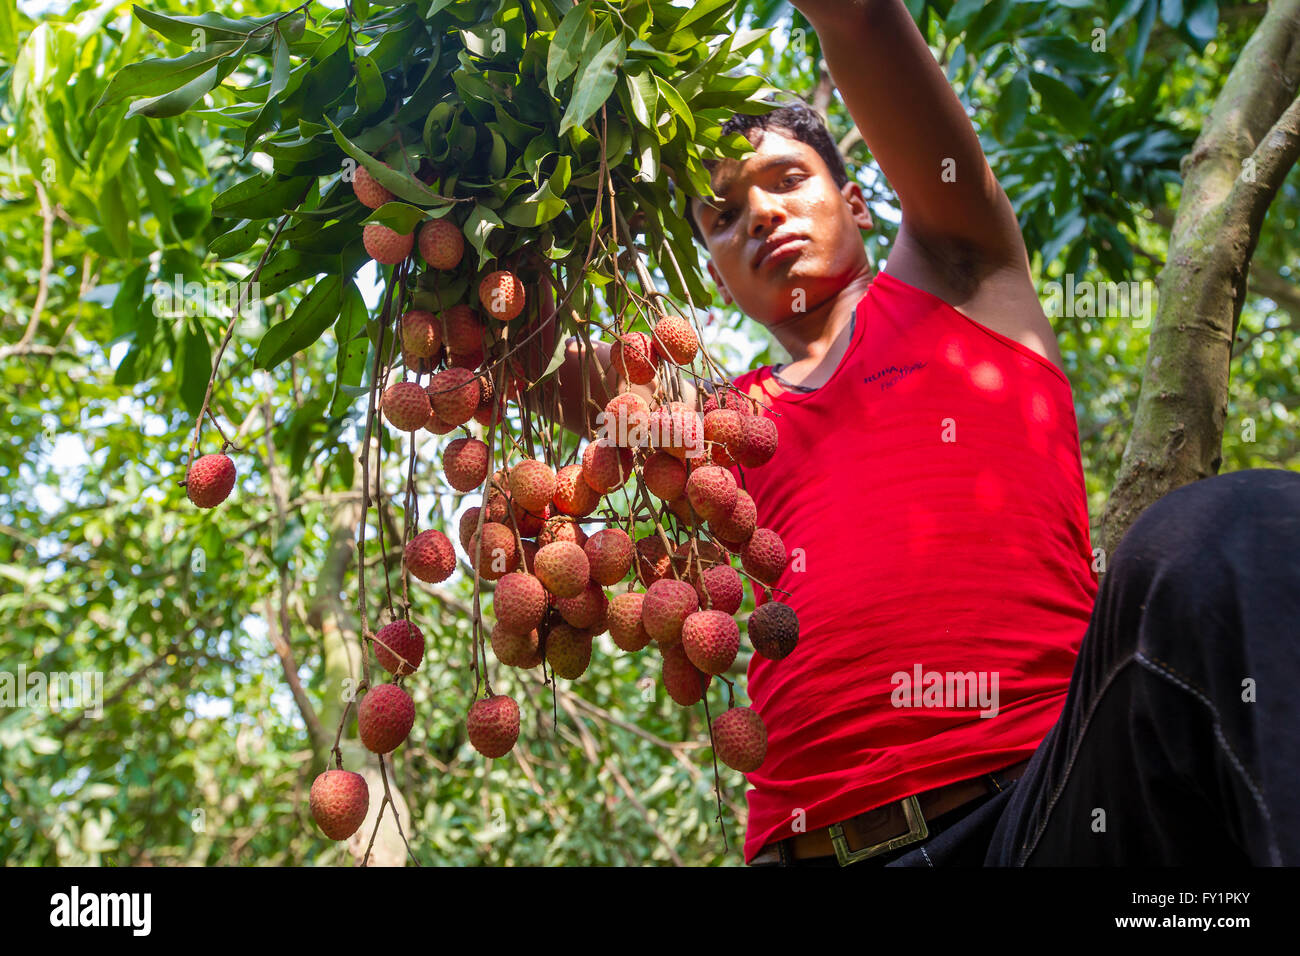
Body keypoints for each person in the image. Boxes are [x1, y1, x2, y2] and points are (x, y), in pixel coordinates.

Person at [536, 0, 1300, 865]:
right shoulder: (719, 426)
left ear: (858, 202)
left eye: (788, 179)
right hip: (804, 849)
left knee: (1229, 529)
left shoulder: (962, 274)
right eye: (721, 214)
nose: (758, 214)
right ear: (712, 269)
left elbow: (859, 18)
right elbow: (519, 358)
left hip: (1048, 804)